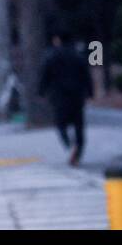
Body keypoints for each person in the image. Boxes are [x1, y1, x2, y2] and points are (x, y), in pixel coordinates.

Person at [38, 32, 95, 165]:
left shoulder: (52, 56)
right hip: (77, 94)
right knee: (78, 124)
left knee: (60, 122)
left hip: (59, 95)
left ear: (57, 40)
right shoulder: (78, 56)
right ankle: (78, 149)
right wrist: (90, 92)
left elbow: (45, 75)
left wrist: (41, 92)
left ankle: (69, 143)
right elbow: (86, 75)